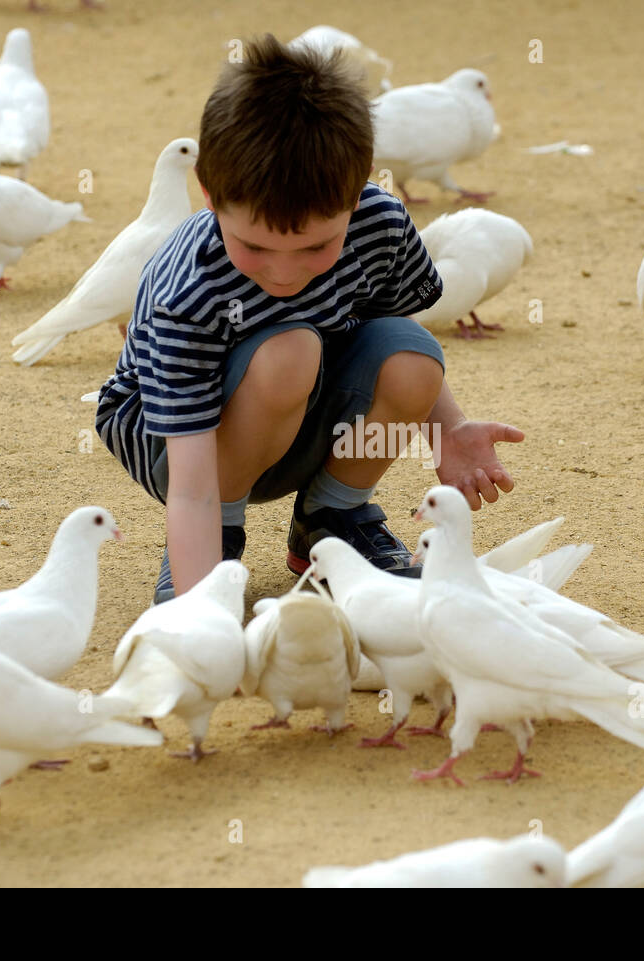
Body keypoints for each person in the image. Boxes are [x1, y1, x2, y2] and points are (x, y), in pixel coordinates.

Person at [95, 34, 522, 603]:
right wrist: (197, 613)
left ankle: (331, 520)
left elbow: (390, 334)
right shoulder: (188, 290)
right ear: (209, 193)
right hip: (176, 441)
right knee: (290, 349)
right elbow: (191, 482)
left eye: (315, 247)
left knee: (413, 355)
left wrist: (447, 428)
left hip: (301, 410)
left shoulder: (380, 224)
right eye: (255, 246)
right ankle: (217, 540)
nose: (283, 273)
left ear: (360, 186)